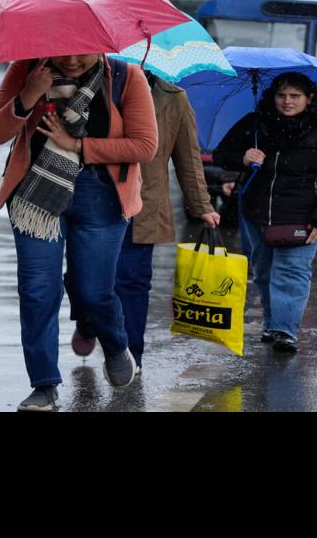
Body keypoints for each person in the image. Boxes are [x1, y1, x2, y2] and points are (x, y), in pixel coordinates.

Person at [0, 52, 158, 412]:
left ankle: (114, 342)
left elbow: (144, 145)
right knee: (37, 291)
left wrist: (77, 146)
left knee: (93, 292)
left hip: (100, 193)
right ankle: (44, 384)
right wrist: (28, 95)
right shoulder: (27, 68)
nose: (74, 60)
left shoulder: (125, 76)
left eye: (84, 50)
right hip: (35, 195)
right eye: (65, 51)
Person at [66, 71, 218, 375]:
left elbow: (187, 154)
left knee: (133, 283)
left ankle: (129, 353)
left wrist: (202, 205)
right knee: (83, 279)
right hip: (95, 197)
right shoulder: (87, 84)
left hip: (143, 205)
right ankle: (87, 320)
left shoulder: (173, 98)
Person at [210, 72, 317, 354]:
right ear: (272, 97)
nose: (287, 102)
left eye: (294, 96)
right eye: (281, 95)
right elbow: (221, 155)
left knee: (292, 271)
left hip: (302, 216)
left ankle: (286, 331)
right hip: (255, 212)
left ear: (309, 99)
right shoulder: (254, 125)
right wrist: (243, 157)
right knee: (263, 271)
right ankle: (272, 324)